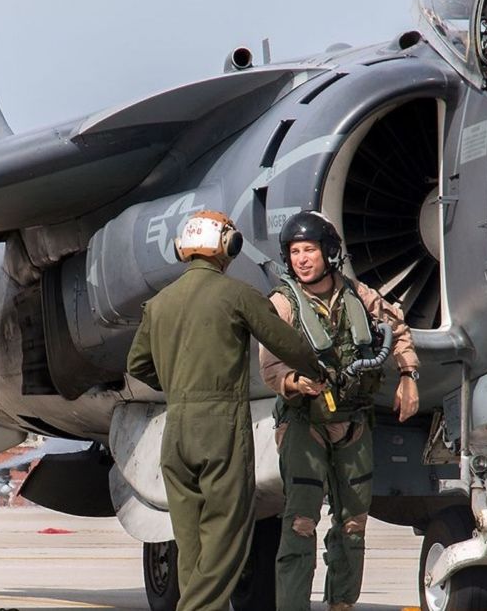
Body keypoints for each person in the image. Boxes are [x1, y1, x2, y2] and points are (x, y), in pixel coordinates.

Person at [127, 209, 323, 611]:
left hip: (175, 431)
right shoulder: (237, 295)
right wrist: (323, 370)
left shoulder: (159, 303)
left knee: (192, 547)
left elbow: (137, 366)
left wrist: (180, 382)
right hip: (219, 431)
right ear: (227, 246)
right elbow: (289, 346)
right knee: (228, 541)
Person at [259, 210, 420, 611]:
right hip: (304, 423)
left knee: (353, 524)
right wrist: (294, 383)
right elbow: (270, 364)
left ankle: (342, 603)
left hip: (352, 422)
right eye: (295, 251)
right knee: (301, 523)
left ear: (328, 253)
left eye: (309, 249)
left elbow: (397, 329)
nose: (302, 259)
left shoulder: (358, 295)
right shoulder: (282, 303)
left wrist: (408, 375)